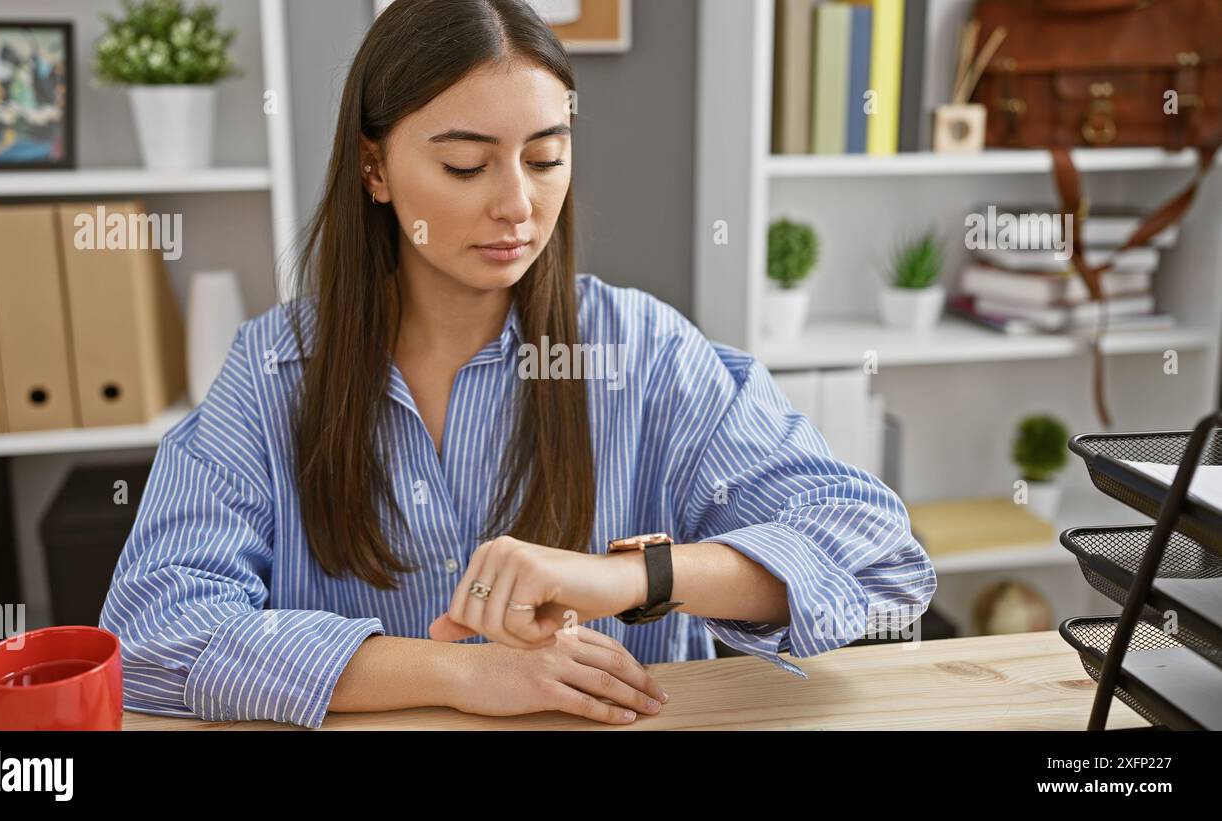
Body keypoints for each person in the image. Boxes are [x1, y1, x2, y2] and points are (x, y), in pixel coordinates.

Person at [100, 0, 936, 729]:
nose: (518, 204)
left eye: (545, 158)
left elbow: (879, 558)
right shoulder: (276, 370)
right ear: (374, 168)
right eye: (465, 164)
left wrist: (629, 577)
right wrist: (461, 673)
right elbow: (151, 630)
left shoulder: (641, 352)